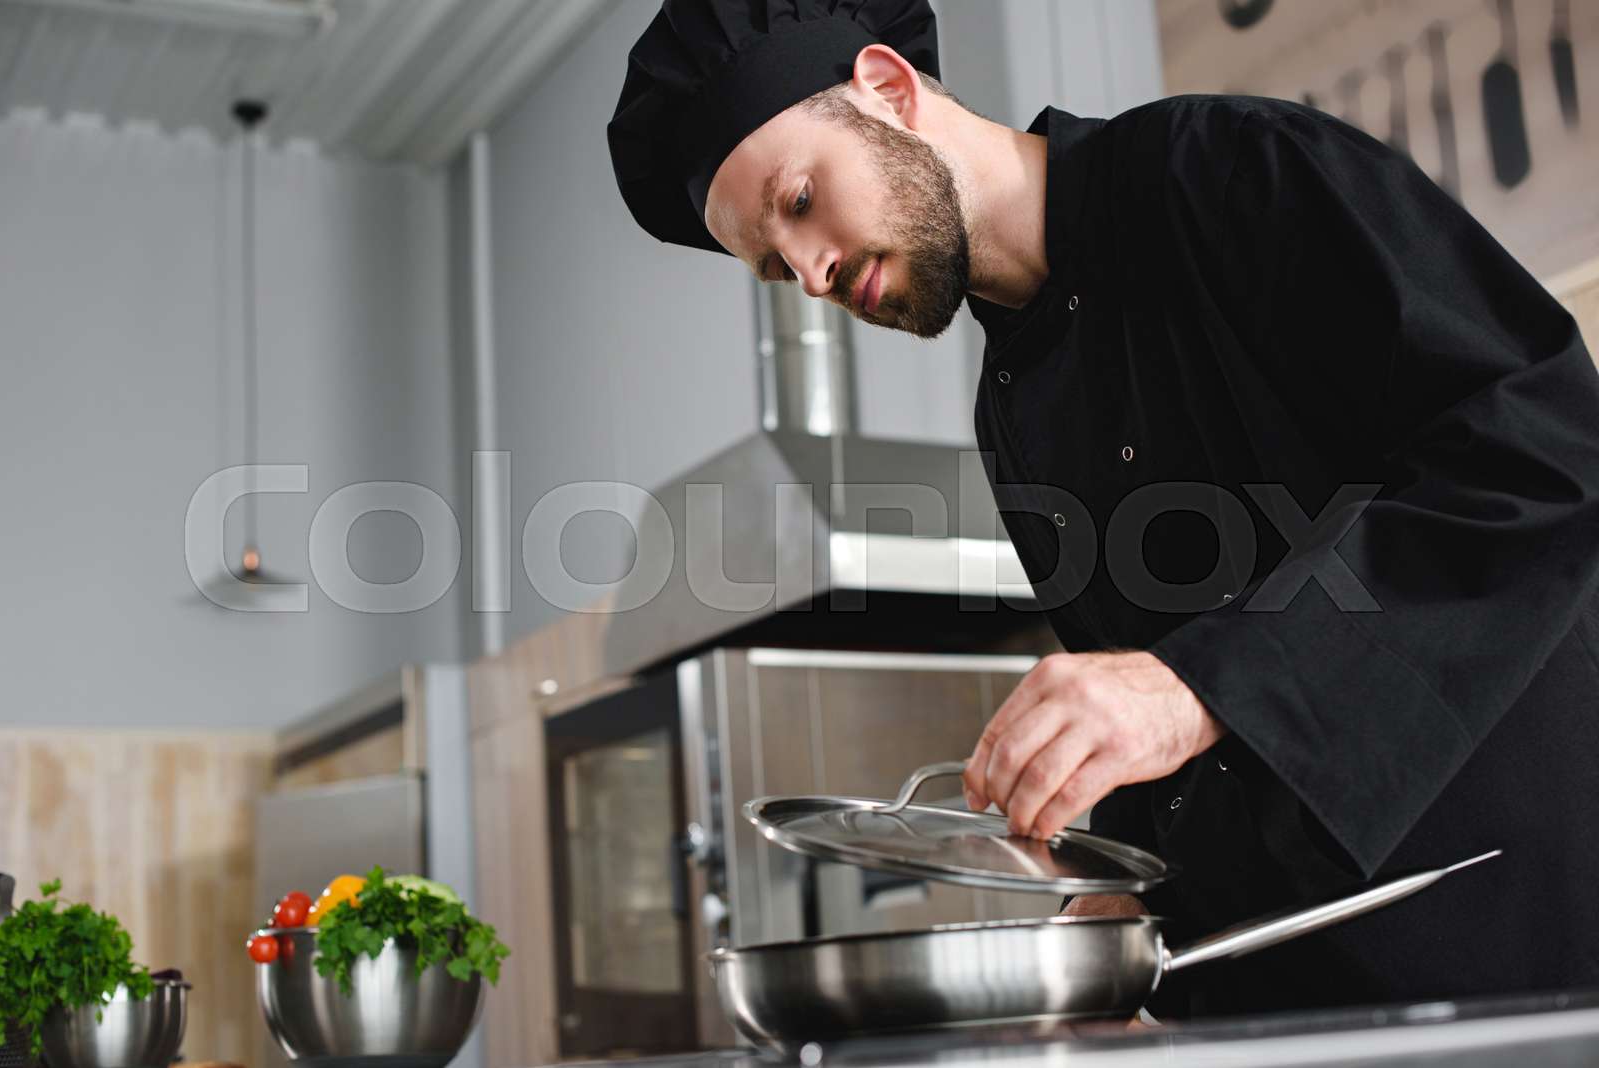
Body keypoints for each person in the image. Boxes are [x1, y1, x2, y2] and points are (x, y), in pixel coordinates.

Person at [608, 0, 1599, 1016]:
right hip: (1276, 1004)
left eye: (803, 199)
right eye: (776, 265)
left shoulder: (1232, 168)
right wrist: (1125, 894)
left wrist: (1196, 686)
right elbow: (1156, 731)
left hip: (1515, 948)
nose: (810, 271)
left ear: (890, 89)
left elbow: (1544, 441)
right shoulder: (1011, 418)